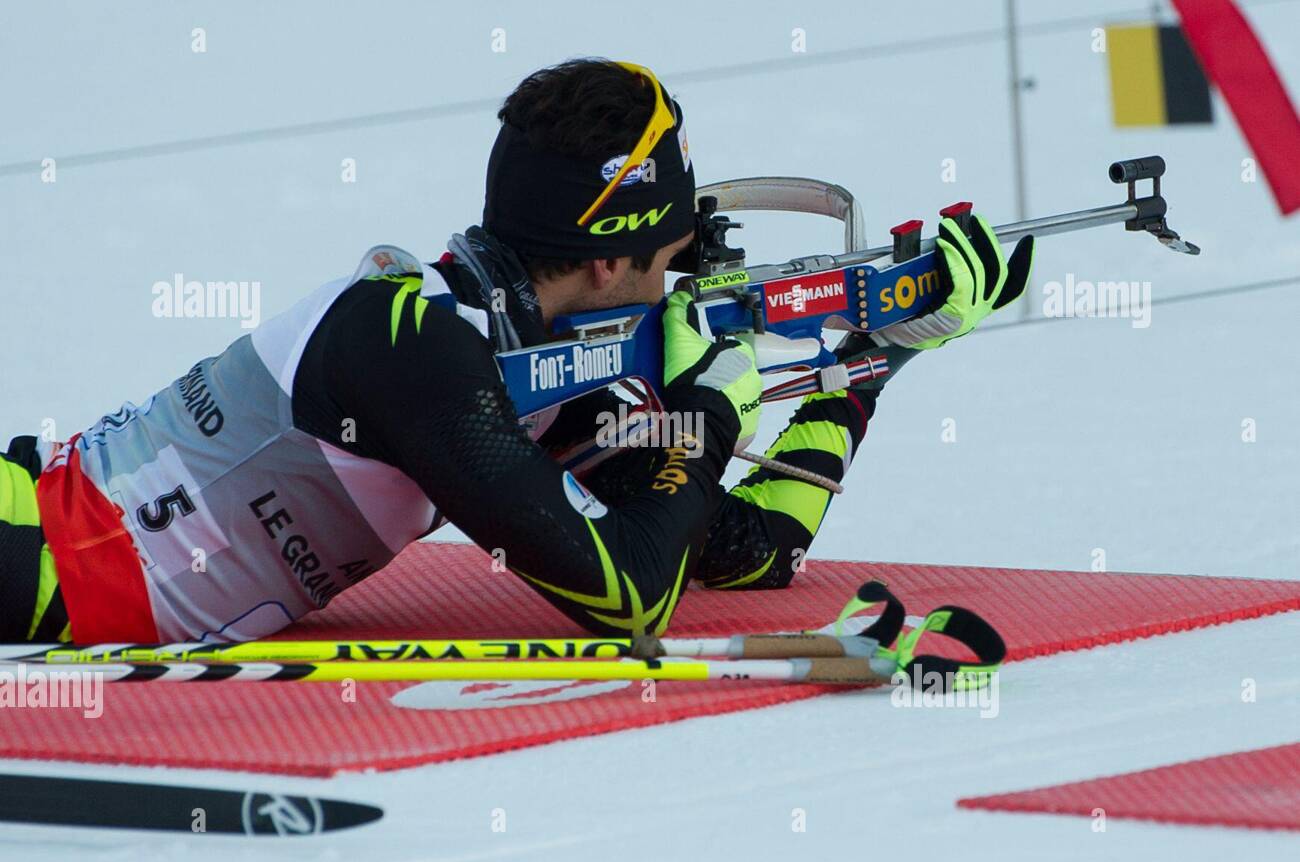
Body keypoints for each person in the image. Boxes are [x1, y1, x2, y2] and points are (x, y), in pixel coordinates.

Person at [0, 58, 1030, 647]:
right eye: (672, 257)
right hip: (31, 567)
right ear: (600, 264)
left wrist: (875, 360)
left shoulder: (537, 365)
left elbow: (746, 549)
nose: (678, 282)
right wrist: (710, 410)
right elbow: (626, 600)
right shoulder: (410, 346)